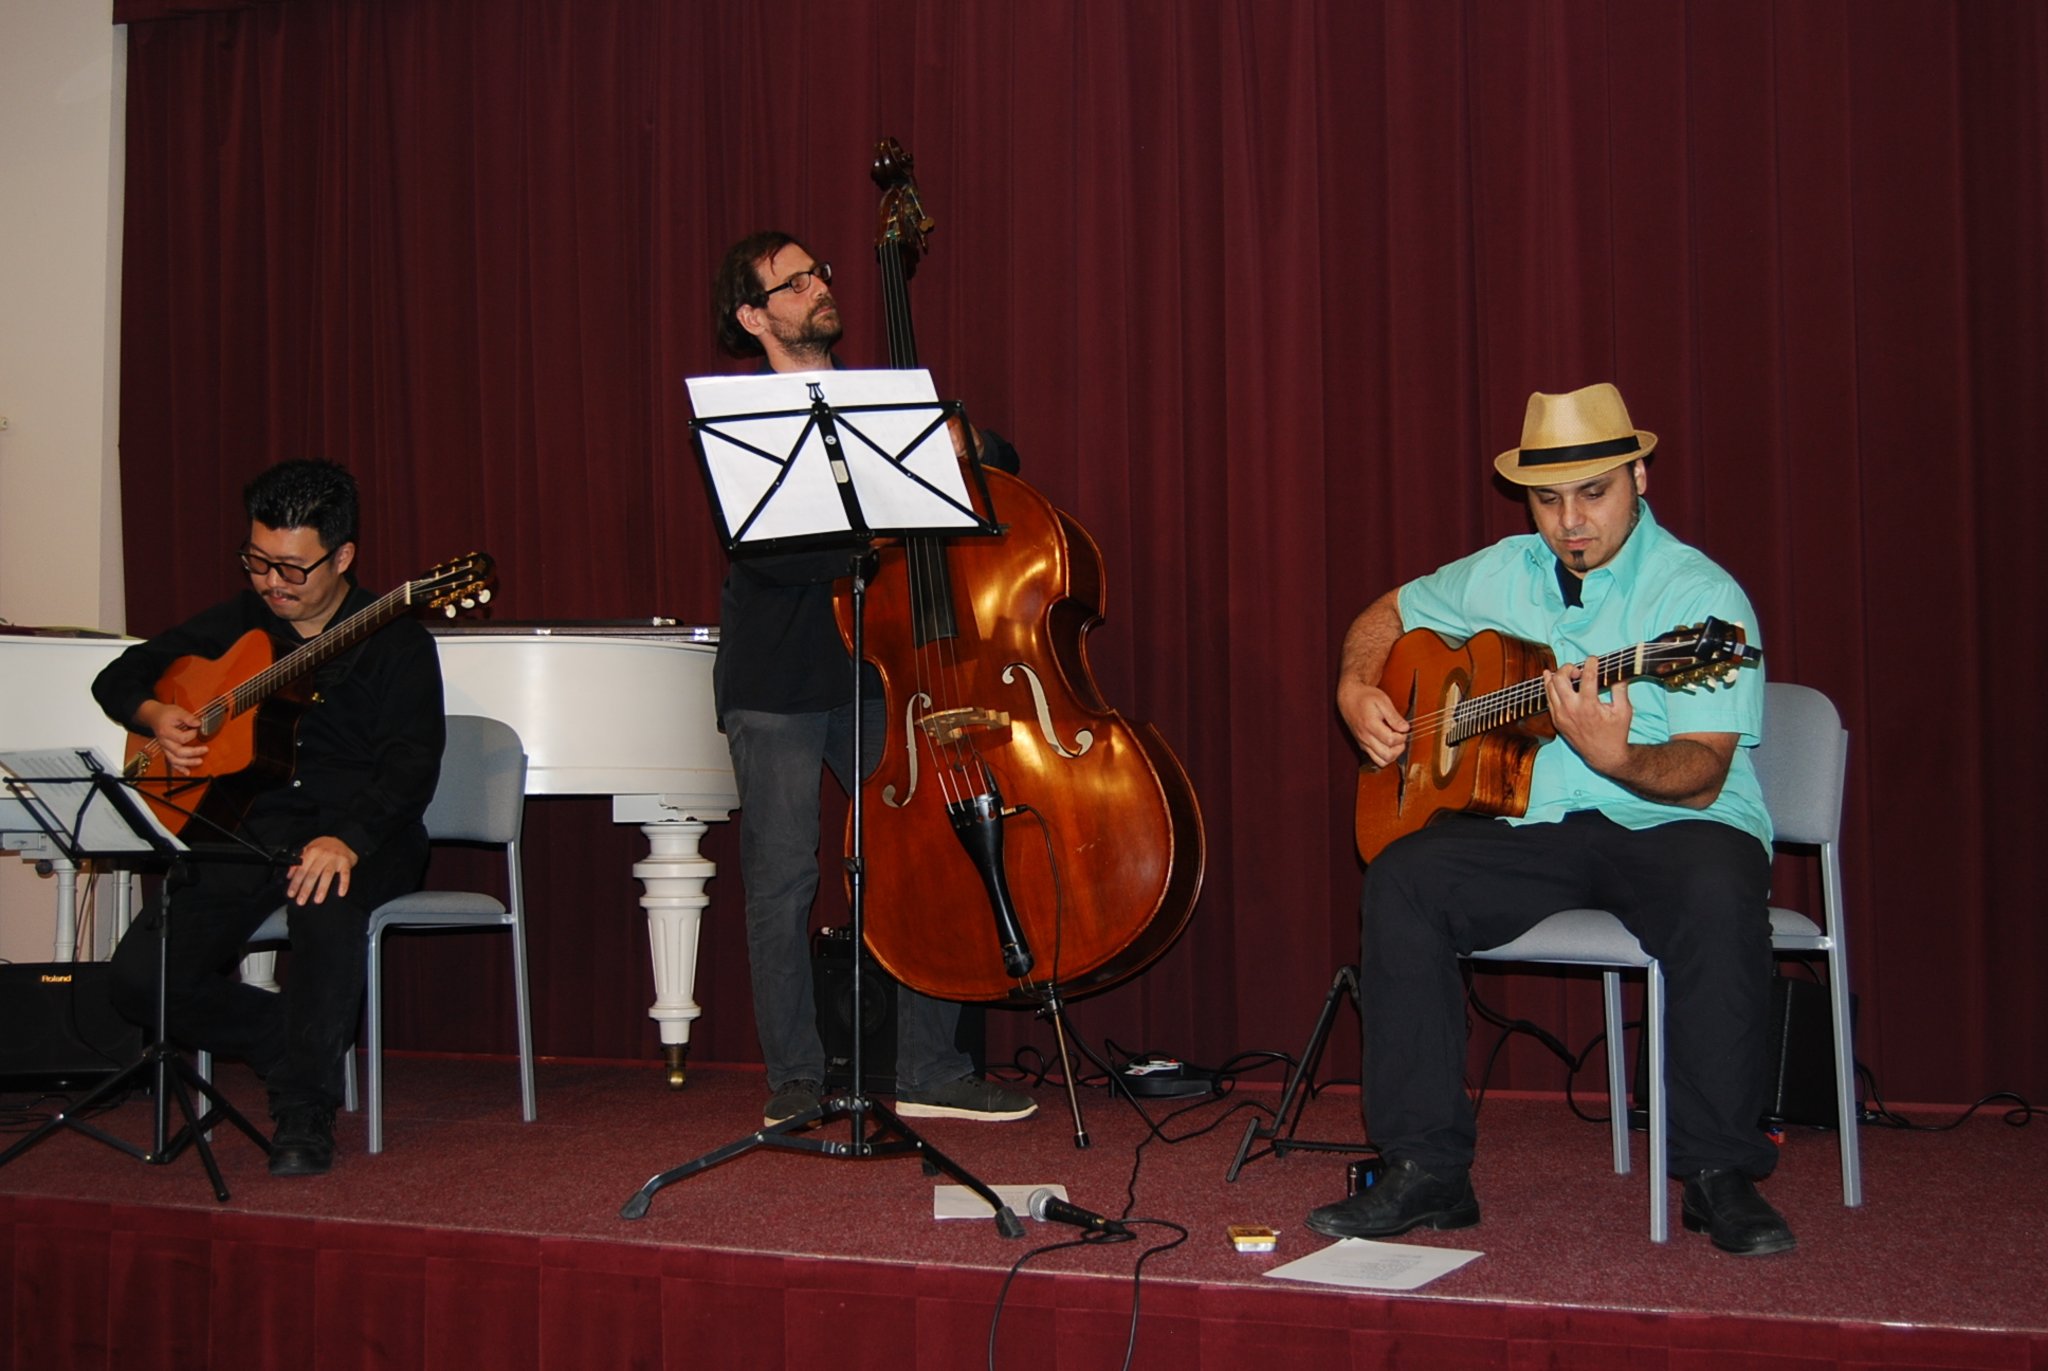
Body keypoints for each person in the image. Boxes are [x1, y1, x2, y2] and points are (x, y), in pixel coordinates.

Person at [1306, 382, 1793, 1256]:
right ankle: (1426, 1169)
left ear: (1639, 478)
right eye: (1548, 499)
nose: (1570, 521)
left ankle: (1720, 1171)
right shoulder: (1502, 570)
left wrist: (1621, 758)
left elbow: (1702, 773)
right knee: (1405, 880)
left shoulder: (1699, 599)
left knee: (1719, 891)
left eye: (1593, 493)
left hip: (1673, 821)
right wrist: (1355, 686)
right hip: (1535, 822)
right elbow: (1386, 615)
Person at [707, 230, 1036, 1126]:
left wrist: (971, 439)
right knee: (783, 878)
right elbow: (771, 553)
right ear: (752, 316)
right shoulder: (743, 425)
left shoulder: (883, 406)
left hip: (879, 667)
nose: (820, 286)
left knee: (930, 852)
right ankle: (794, 1077)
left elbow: (999, 467)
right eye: (795, 281)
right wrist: (875, 534)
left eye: (819, 272)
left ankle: (934, 1068)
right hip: (777, 676)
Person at [97, 459, 444, 1177]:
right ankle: (289, 1042)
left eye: (291, 568)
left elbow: (410, 766)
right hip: (245, 824)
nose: (271, 583)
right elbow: (119, 676)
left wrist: (347, 838)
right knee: (137, 978)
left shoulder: (398, 641)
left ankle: (303, 1110)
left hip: (363, 830)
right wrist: (158, 715)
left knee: (325, 903)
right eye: (256, 562)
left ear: (342, 557)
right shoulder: (240, 621)